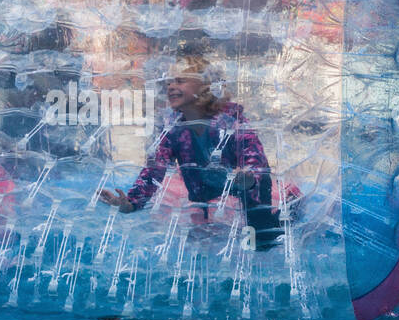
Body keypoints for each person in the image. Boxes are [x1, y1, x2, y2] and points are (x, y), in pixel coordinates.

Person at [98, 55, 286, 249]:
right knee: (201, 245)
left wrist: (250, 176)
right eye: (169, 82)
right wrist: (131, 202)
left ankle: (282, 223)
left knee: (261, 243)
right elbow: (155, 168)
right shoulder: (173, 128)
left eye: (180, 81)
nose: (171, 86)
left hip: (248, 188)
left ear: (204, 87)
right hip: (207, 190)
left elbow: (253, 152)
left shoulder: (230, 121)